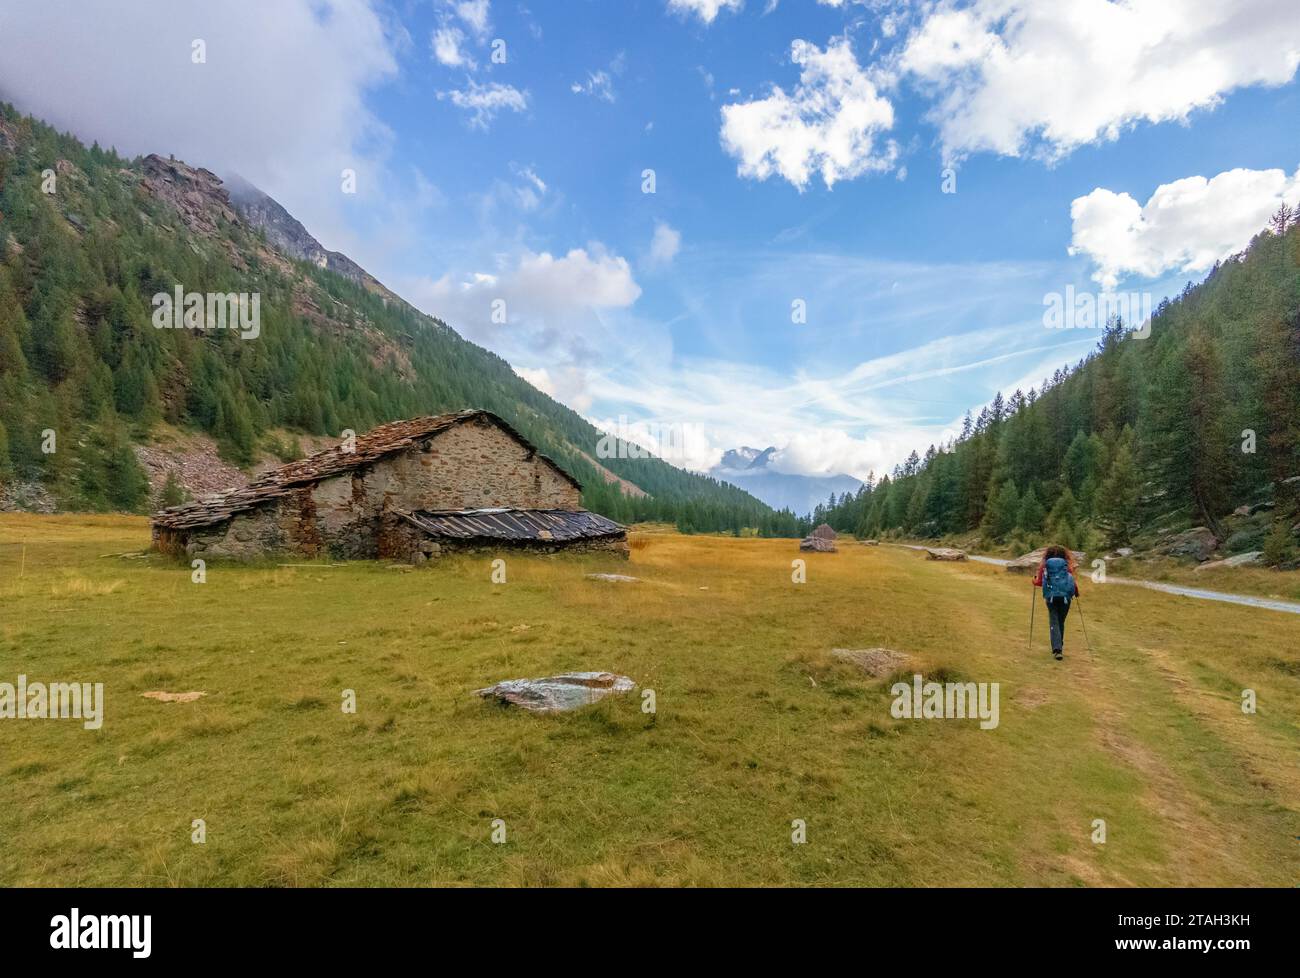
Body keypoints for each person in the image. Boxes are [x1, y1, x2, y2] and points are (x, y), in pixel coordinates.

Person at [1032, 545, 1079, 661]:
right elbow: (1071, 580)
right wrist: (1076, 593)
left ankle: (1057, 649)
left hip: (1051, 597)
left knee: (1054, 620)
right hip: (1065, 598)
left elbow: (1039, 582)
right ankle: (1059, 646)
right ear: (1064, 554)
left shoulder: (1045, 564)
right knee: (1060, 621)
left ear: (1048, 554)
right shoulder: (1066, 564)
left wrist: (1033, 580)